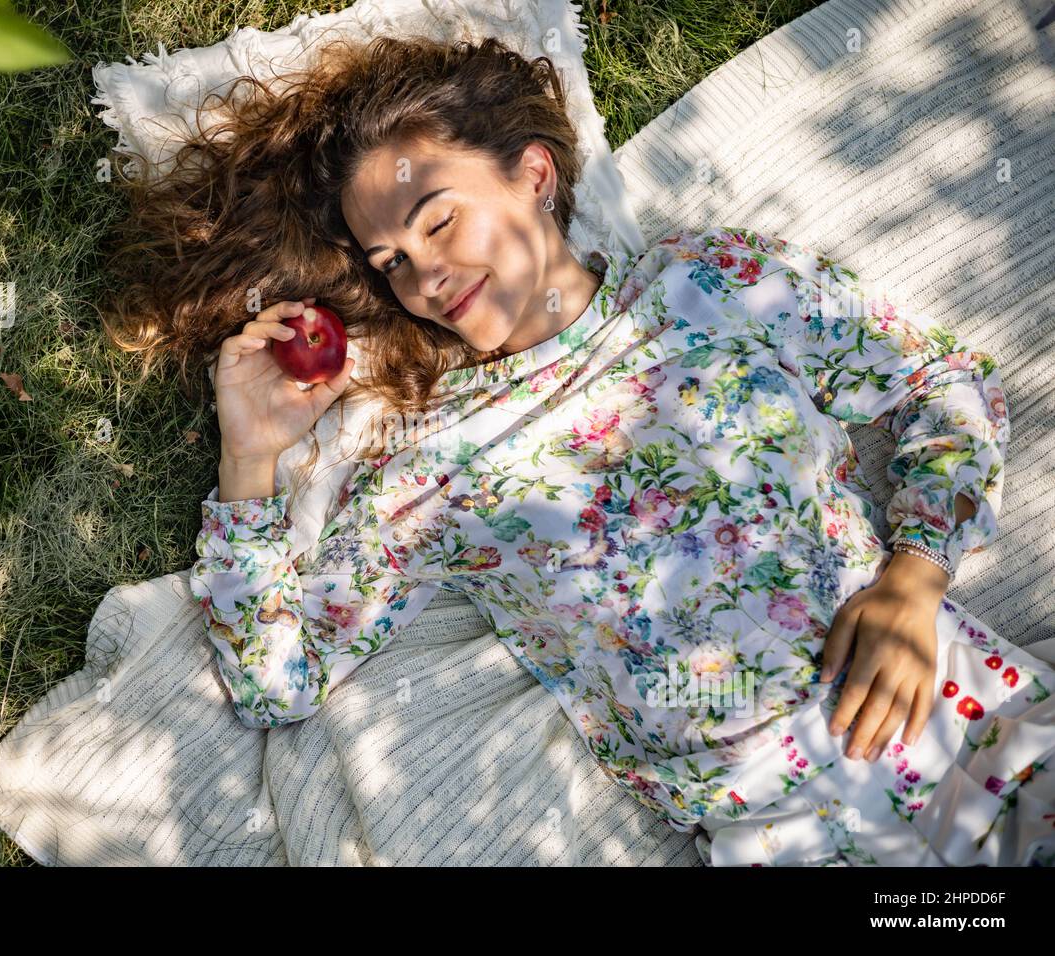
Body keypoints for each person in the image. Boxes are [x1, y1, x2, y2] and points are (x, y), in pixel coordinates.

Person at [102, 35, 1055, 866]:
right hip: (777, 827)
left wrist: (914, 578)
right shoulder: (429, 467)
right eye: (390, 262)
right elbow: (278, 682)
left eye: (437, 218)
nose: (425, 272)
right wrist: (250, 459)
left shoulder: (706, 285)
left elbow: (943, 383)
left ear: (534, 175)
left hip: (958, 715)